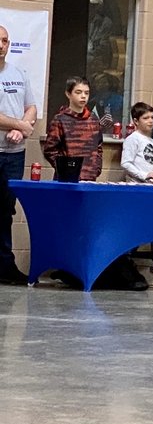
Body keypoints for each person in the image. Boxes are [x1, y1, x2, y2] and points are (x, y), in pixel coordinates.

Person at [0, 25, 35, 285]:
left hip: (14, 153)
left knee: (6, 210)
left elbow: (31, 107)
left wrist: (21, 130)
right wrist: (19, 125)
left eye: (4, 41)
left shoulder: (19, 73)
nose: (1, 45)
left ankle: (5, 266)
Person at [41, 76, 103, 181]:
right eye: (78, 92)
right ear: (68, 94)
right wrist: (64, 168)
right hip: (66, 179)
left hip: (89, 178)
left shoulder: (94, 120)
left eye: (86, 93)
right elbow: (50, 150)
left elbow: (99, 148)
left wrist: (96, 168)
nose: (83, 96)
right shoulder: (60, 119)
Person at [120, 102, 153, 183]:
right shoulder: (133, 139)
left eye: (152, 117)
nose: (150, 121)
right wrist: (144, 175)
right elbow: (125, 163)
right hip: (135, 185)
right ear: (136, 121)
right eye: (146, 118)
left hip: (150, 185)